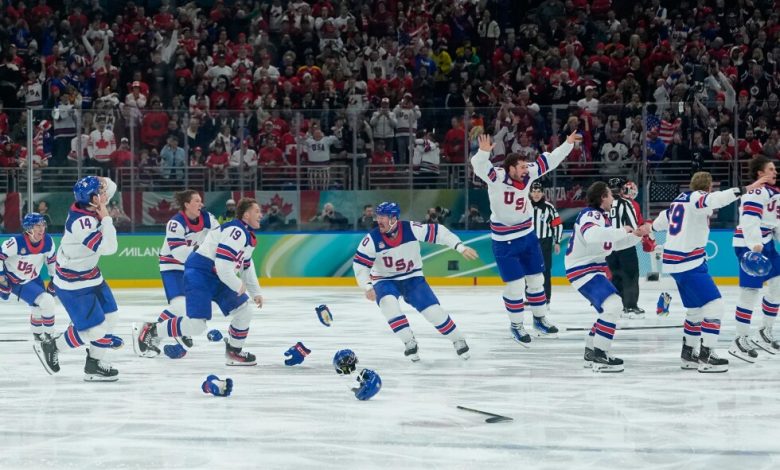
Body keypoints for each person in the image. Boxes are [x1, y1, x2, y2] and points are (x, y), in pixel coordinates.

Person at [651, 171, 768, 372]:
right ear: (708, 187)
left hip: (677, 261)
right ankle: (707, 356)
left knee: (696, 310)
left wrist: (648, 229)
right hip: (688, 261)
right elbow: (716, 200)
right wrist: (744, 189)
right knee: (715, 306)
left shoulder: (679, 201)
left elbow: (658, 223)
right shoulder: (698, 198)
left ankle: (688, 355)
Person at [470, 132, 578, 346]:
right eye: (521, 167)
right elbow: (479, 166)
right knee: (515, 286)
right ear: (510, 168)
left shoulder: (529, 174)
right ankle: (517, 326)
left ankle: (539, 319)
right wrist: (483, 153)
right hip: (504, 241)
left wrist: (567, 144)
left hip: (527, 236)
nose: (526, 170)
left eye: (526, 166)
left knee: (537, 280)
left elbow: (551, 159)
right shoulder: (497, 177)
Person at [134, 198, 263, 366]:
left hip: (217, 276)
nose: (261, 215)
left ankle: (234, 352)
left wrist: (256, 292)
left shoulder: (247, 236)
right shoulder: (235, 231)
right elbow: (223, 265)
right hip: (200, 273)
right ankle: (152, 330)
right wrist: (238, 286)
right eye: (257, 211)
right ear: (246, 215)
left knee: (244, 310)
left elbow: (246, 265)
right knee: (196, 326)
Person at [352, 202, 478, 361]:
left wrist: (460, 247)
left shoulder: (411, 228)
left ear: (393, 219)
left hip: (412, 277)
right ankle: (408, 341)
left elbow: (438, 232)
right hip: (384, 280)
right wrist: (367, 286)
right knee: (388, 304)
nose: (379, 220)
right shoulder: (371, 239)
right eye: (378, 216)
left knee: (433, 312)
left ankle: (457, 339)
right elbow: (360, 265)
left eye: (383, 217)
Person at [33, 176, 122, 381]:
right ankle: (52, 346)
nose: (105, 192)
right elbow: (110, 248)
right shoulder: (82, 222)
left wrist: (98, 180)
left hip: (91, 275)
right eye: (100, 190)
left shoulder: (91, 205)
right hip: (74, 283)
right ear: (92, 198)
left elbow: (113, 185)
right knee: (97, 329)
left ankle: (94, 365)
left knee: (111, 318)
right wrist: (107, 217)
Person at [565, 182, 651, 372]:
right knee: (613, 306)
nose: (613, 198)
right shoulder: (592, 214)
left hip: (590, 269)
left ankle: (591, 350)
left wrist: (637, 235)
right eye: (610, 195)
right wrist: (622, 231)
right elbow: (592, 236)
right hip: (583, 269)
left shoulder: (602, 218)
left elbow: (613, 245)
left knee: (610, 308)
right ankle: (600, 356)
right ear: (603, 197)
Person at [135, 190, 220, 359]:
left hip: (194, 267)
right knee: (180, 306)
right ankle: (152, 332)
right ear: (187, 204)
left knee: (191, 307)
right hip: (172, 265)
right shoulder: (175, 223)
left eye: (201, 201)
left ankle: (159, 330)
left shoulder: (208, 218)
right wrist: (204, 251)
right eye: (196, 201)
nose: (201, 204)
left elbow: (220, 237)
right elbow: (179, 254)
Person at [729, 156, 780, 363]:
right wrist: (755, 245)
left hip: (766, 243)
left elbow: (775, 223)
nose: (775, 172)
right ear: (760, 173)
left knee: (777, 285)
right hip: (748, 245)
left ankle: (765, 331)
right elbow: (750, 219)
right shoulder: (756, 191)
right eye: (770, 169)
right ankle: (740, 338)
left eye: (775, 169)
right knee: (750, 292)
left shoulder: (774, 193)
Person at [0, 213, 57, 342]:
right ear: (28, 228)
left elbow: (51, 261)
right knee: (47, 301)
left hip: (34, 278)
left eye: (43, 225)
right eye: (38, 225)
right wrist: (2, 278)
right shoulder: (16, 242)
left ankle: (38, 336)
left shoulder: (48, 241)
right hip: (16, 281)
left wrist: (54, 279)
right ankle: (50, 338)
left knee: (38, 307)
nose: (42, 228)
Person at [606, 177, 645, 318]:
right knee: (630, 276)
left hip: (609, 247)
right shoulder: (626, 203)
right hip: (625, 245)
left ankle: (618, 307)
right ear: (622, 189)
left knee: (616, 276)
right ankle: (631, 306)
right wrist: (642, 236)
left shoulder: (603, 204)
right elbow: (634, 227)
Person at [530, 182, 562, 305]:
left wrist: (557, 241)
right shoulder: (525, 206)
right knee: (529, 271)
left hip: (545, 242)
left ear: (543, 193)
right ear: (530, 193)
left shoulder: (549, 207)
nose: (536, 194)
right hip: (529, 242)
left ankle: (546, 298)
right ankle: (531, 297)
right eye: (534, 191)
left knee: (545, 270)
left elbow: (557, 224)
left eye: (538, 191)